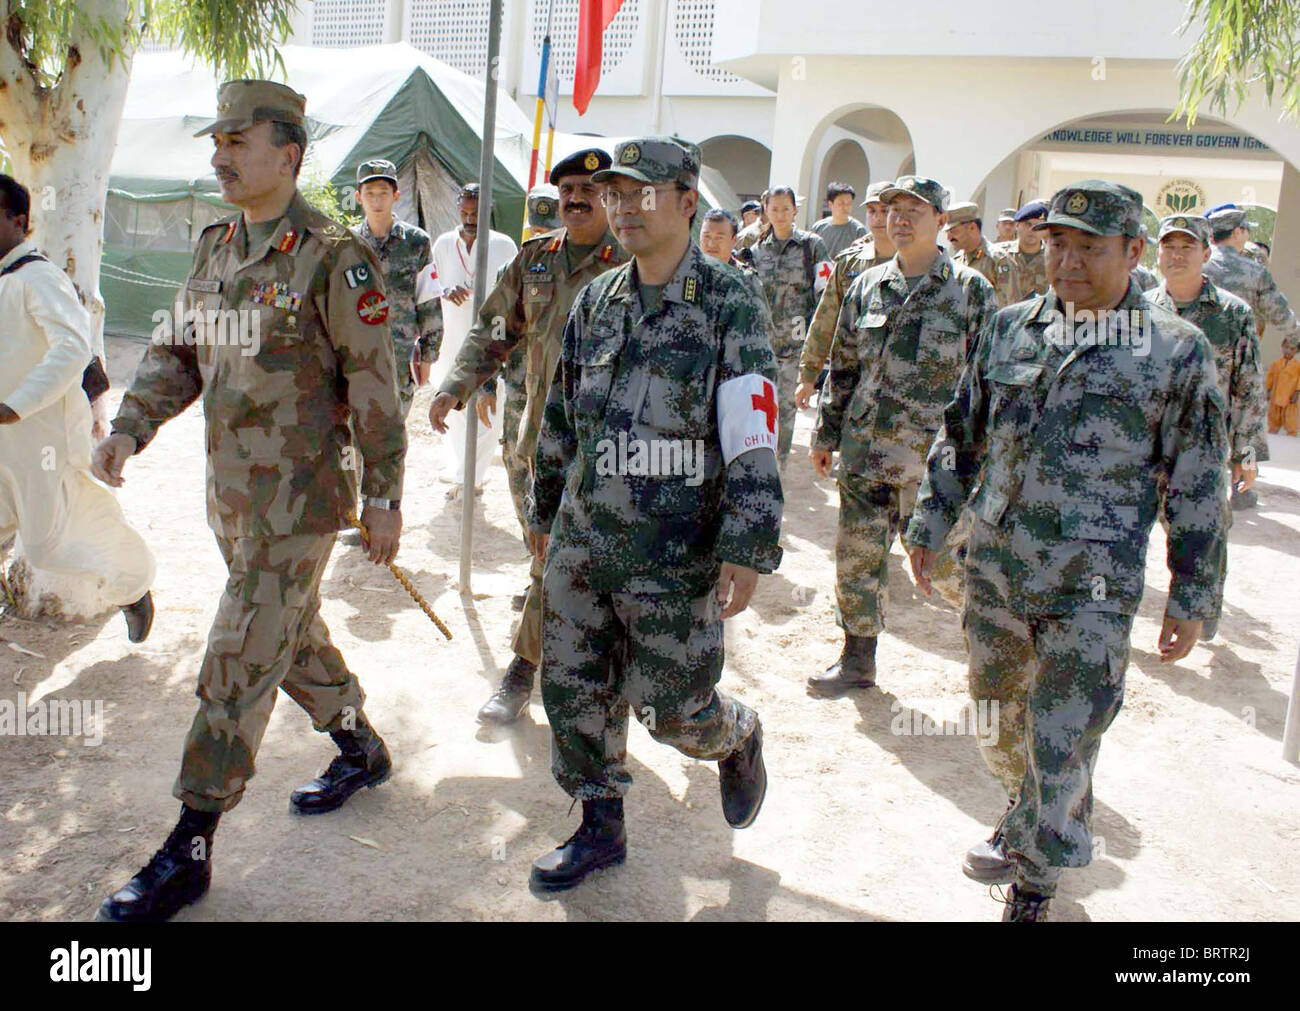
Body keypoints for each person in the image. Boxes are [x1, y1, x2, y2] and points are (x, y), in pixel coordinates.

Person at [92, 80, 407, 923]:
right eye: (215, 141)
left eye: (237, 139)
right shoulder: (217, 246)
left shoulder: (334, 257)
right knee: (289, 633)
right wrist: (130, 428)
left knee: (235, 658)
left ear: (289, 153)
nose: (219, 155)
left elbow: (377, 386)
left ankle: (189, 845)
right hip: (231, 497)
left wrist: (384, 495)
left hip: (300, 505)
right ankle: (359, 746)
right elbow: (176, 352)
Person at [905, 181, 1228, 921]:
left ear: (1132, 253)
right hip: (995, 571)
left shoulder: (1174, 350)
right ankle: (1028, 810)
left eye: (1091, 246)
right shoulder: (1011, 327)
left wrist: (1191, 594)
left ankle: (1035, 881)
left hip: (1094, 585)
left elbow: (1198, 482)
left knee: (1065, 731)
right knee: (997, 723)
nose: (1070, 260)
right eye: (1058, 242)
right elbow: (962, 435)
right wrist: (930, 523)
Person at [527, 137, 781, 891]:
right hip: (584, 538)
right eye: (615, 195)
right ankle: (599, 822)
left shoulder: (730, 303)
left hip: (674, 551)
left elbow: (753, 426)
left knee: (673, 709)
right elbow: (561, 416)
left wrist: (748, 539)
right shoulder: (596, 300)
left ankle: (735, 735)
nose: (624, 208)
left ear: (685, 200)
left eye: (643, 193)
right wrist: (544, 510)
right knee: (574, 687)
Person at [428, 148, 628, 725]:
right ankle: (550, 665)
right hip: (538, 441)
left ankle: (524, 669)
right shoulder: (536, 261)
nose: (575, 197)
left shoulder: (635, 264)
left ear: (611, 195)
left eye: (589, 188)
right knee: (549, 553)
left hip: (609, 450)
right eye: (566, 188)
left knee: (563, 560)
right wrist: (456, 385)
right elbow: (495, 328)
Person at [808, 175, 996, 692]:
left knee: (951, 569)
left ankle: (998, 658)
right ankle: (857, 660)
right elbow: (843, 364)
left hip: (932, 465)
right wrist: (826, 434)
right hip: (865, 451)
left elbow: (986, 383)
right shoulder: (868, 283)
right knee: (857, 561)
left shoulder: (970, 291)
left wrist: (980, 458)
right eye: (893, 208)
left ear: (942, 221)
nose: (901, 218)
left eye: (916, 209)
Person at [0, 174, 154, 640]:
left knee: (47, 548)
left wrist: (15, 407)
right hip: (4, 439)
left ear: (18, 221)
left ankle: (133, 584)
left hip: (39, 439)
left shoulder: (38, 277)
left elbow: (71, 349)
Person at [1145, 214, 1267, 509]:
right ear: (1157, 253)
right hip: (1143, 452)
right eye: (1168, 246)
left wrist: (1247, 456)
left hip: (1203, 453)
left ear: (1206, 253)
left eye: (1187, 247)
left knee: (1198, 550)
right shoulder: (1139, 310)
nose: (1176, 255)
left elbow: (1249, 390)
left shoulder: (1233, 313)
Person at [429, 183, 518, 497]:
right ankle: (461, 469)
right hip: (451, 337)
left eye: (476, 213)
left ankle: (473, 479)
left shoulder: (504, 245)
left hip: (489, 340)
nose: (469, 218)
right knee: (451, 402)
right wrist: (448, 292)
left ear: (488, 210)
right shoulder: (442, 244)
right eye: (465, 212)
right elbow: (433, 286)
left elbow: (513, 294)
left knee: (487, 410)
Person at [735, 185, 830, 465]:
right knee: (758, 405)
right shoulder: (754, 249)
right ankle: (756, 458)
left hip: (796, 342)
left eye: (785, 208)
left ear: (794, 210)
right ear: (765, 210)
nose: (779, 214)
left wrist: (817, 346)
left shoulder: (812, 246)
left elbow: (825, 294)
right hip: (761, 342)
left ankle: (779, 462)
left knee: (786, 408)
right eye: (773, 208)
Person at [351, 158, 443, 419]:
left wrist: (428, 354)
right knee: (355, 437)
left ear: (396, 196)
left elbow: (429, 302)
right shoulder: (348, 244)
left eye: (383, 193)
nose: (377, 201)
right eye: (370, 194)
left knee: (393, 437)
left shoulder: (416, 243)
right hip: (357, 357)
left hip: (399, 358)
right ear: (359, 197)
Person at [794, 179, 895, 409]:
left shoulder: (912, 264)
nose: (878, 218)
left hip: (893, 389)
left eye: (885, 211)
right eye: (872, 211)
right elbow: (825, 319)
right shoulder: (850, 263)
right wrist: (808, 376)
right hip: (847, 380)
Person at [1203, 205, 1300, 344]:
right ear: (1237, 232)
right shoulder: (1254, 271)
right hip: (1237, 354)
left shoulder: (1196, 264)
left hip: (1197, 353)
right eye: (1246, 229)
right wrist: (1295, 335)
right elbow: (1277, 311)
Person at [945, 201, 1019, 306]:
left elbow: (1008, 307)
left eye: (954, 231)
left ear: (972, 227)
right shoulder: (956, 261)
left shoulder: (998, 260)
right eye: (947, 232)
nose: (949, 238)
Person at [993, 200, 1049, 298]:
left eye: (1038, 225)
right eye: (1027, 224)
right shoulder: (998, 254)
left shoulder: (1052, 257)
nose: (1032, 230)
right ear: (1017, 225)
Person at [809, 181, 869, 258]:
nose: (845, 207)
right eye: (841, 203)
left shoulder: (858, 230)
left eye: (849, 203)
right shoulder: (818, 227)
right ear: (830, 204)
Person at [1266, 338, 1300, 435]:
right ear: (1282, 347)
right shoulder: (1276, 364)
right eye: (1286, 347)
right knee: (1273, 416)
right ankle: (1273, 433)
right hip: (1276, 395)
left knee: (1290, 418)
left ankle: (1291, 434)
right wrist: (1268, 390)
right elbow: (1270, 377)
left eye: (1292, 349)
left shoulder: (1298, 366)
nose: (1288, 351)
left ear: (1297, 350)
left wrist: (1297, 392)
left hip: (1290, 397)